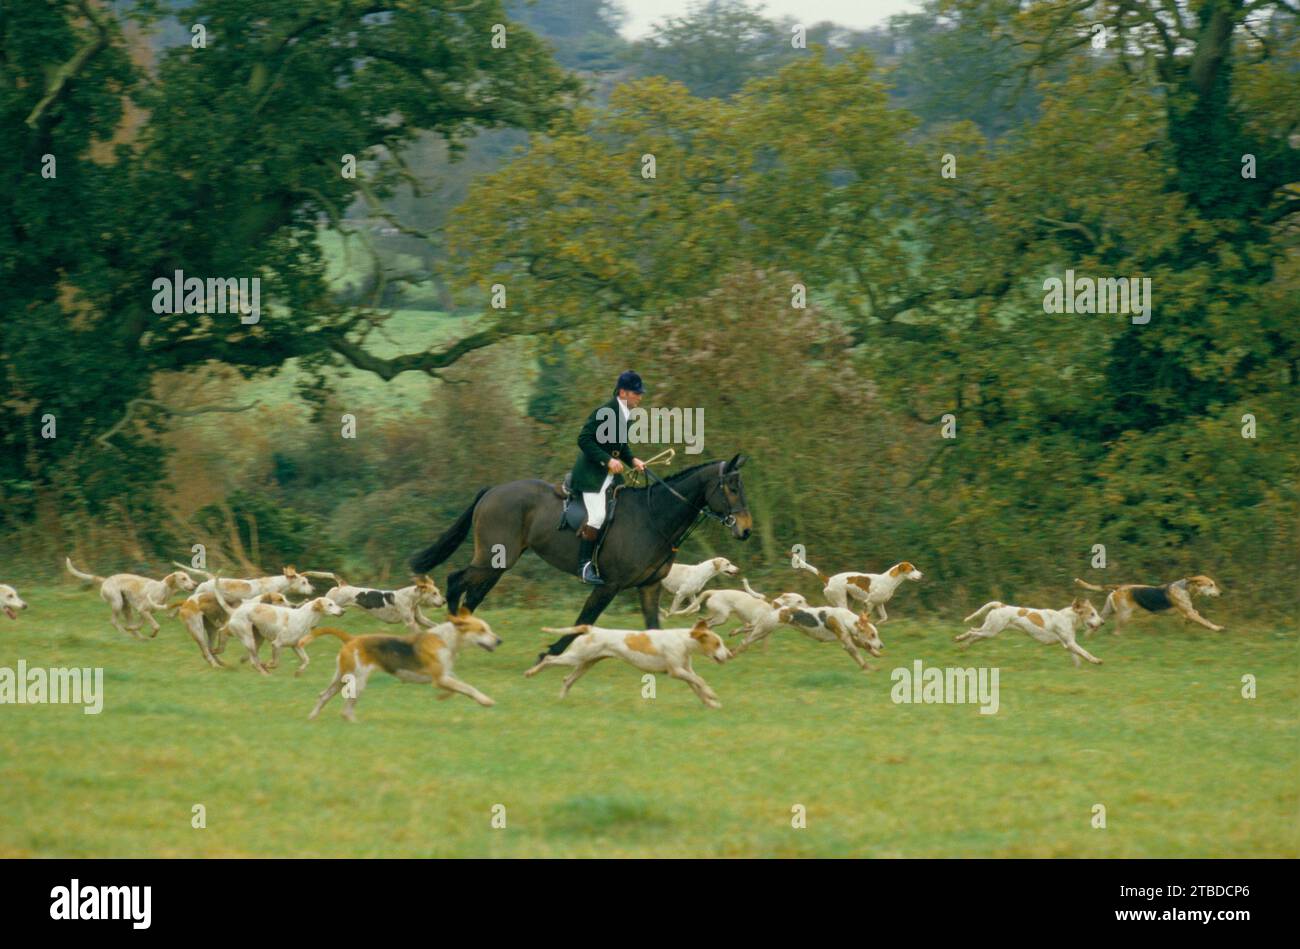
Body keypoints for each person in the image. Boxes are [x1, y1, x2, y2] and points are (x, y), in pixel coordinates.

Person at [569, 370, 647, 584]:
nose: (640, 397)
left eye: (640, 393)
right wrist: (607, 460)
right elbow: (584, 440)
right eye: (636, 393)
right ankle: (584, 567)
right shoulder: (605, 411)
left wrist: (632, 460)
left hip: (610, 477)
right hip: (591, 475)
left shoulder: (625, 415)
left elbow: (619, 447)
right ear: (623, 392)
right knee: (597, 517)